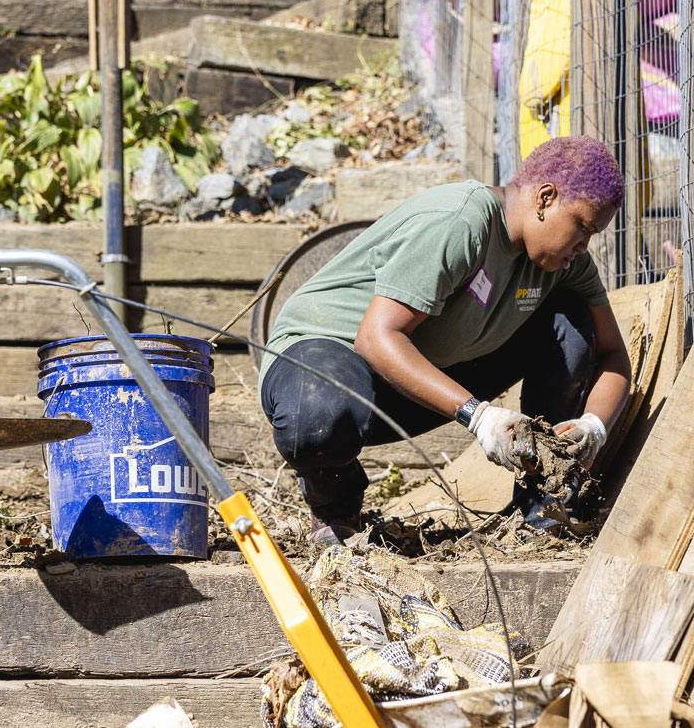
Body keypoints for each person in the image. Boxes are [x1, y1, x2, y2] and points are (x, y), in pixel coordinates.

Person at [258, 136, 633, 543]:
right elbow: (376, 337)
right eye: (582, 227)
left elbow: (612, 354)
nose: (584, 245)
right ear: (545, 198)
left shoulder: (564, 264)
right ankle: (336, 505)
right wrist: (480, 415)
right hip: (329, 356)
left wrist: (593, 425)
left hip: (421, 368)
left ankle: (545, 512)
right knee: (315, 417)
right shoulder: (461, 222)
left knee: (572, 322)